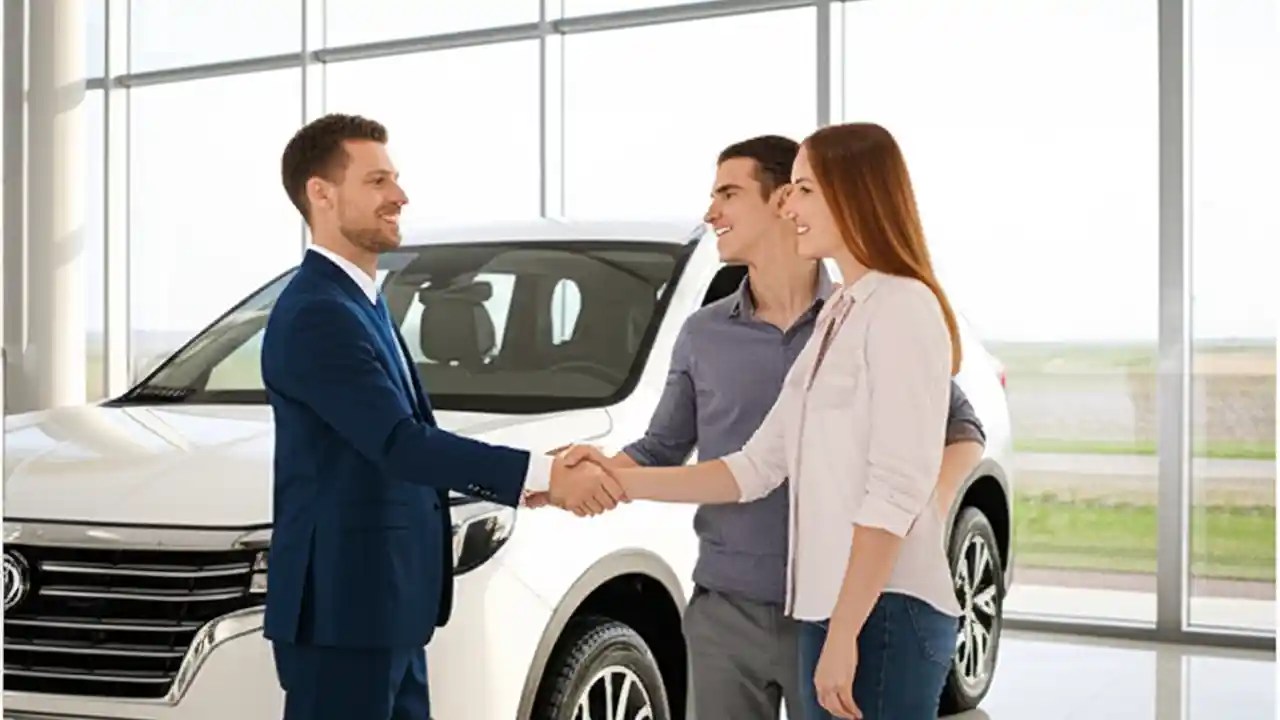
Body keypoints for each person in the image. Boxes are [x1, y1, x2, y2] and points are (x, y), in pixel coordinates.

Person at [549, 135, 984, 720]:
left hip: (878, 609)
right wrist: (603, 477)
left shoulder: (900, 308)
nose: (792, 207)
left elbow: (895, 488)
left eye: (805, 191)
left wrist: (847, 627)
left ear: (851, 196)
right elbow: (753, 468)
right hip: (819, 607)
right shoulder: (843, 313)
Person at [259, 113, 623, 720]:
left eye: (395, 179)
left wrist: (525, 485)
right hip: (344, 614)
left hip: (385, 606)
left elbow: (402, 444)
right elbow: (400, 444)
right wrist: (541, 476)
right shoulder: (318, 312)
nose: (400, 196)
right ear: (320, 194)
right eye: (377, 181)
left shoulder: (360, 302)